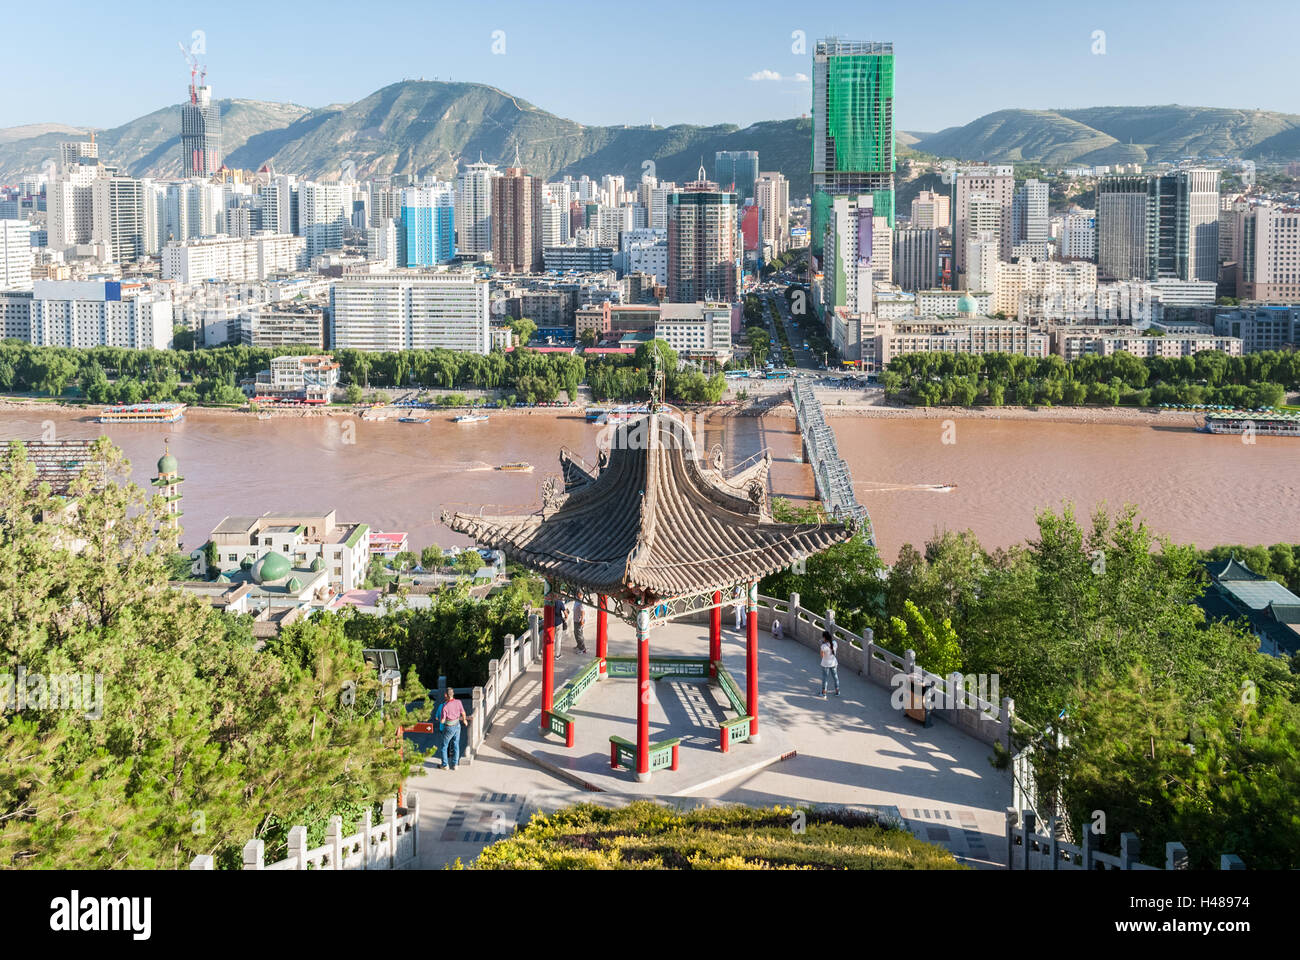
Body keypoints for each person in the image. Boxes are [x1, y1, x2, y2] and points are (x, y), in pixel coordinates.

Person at [435, 686, 469, 770]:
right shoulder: (458, 702)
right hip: (457, 725)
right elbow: (463, 713)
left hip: (449, 727)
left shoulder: (445, 707)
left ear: (445, 695)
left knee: (444, 746)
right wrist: (464, 720)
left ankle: (445, 765)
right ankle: (455, 764)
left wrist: (439, 720)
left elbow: (443, 720)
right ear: (453, 694)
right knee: (456, 744)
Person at [819, 630, 840, 697]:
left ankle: (824, 692)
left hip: (825, 664)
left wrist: (822, 645)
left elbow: (822, 656)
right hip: (833, 663)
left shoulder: (824, 646)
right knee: (835, 677)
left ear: (824, 638)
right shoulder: (835, 643)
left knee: (825, 678)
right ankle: (837, 691)